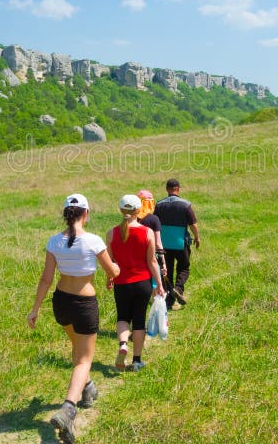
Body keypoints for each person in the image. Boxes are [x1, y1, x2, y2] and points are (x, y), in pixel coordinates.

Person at [27, 194, 120, 444]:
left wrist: (35, 309)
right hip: (84, 304)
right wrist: (117, 269)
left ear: (66, 214)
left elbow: (46, 278)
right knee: (83, 360)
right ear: (86, 214)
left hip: (61, 302)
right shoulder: (93, 241)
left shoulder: (54, 241)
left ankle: (88, 389)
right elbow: (112, 270)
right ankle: (68, 409)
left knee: (78, 349)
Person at [106, 195, 165, 371]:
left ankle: (123, 344)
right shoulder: (147, 232)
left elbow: (110, 262)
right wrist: (159, 284)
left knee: (123, 317)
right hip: (142, 283)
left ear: (120, 210)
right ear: (139, 211)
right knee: (139, 320)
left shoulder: (111, 233)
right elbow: (152, 261)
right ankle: (137, 360)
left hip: (121, 282)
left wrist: (109, 278)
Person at [154, 178, 200, 309]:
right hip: (181, 243)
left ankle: (168, 301)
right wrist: (197, 238)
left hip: (164, 244)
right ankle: (178, 289)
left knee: (166, 271)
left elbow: (155, 224)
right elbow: (193, 224)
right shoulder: (185, 205)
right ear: (178, 189)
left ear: (167, 189)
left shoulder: (159, 205)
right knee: (184, 267)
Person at [136, 189, 167, 281]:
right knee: (154, 285)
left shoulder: (132, 219)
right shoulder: (154, 219)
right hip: (151, 257)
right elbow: (158, 244)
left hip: (134, 258)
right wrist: (163, 264)